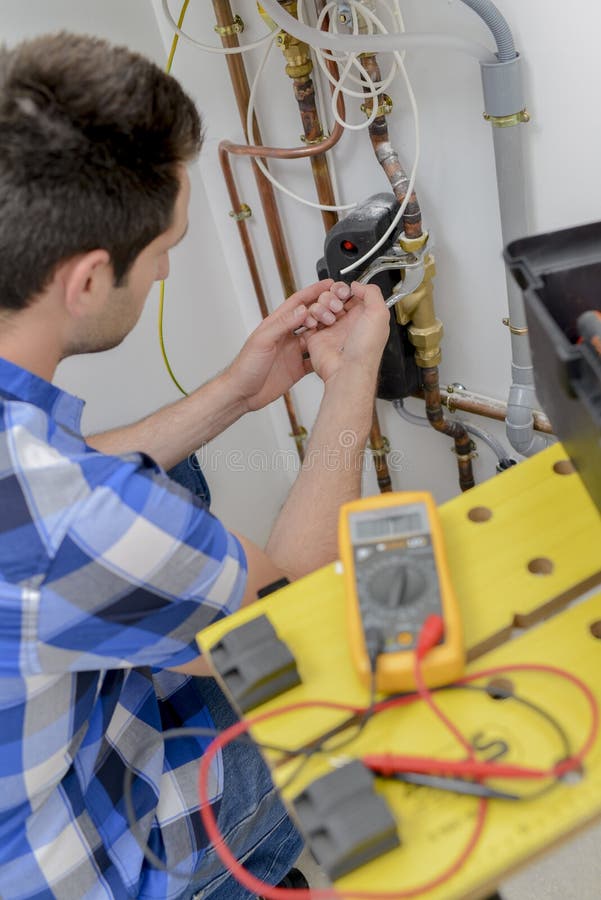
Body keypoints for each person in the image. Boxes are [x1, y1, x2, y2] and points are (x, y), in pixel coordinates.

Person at [0, 31, 390, 900]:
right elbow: (301, 607)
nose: (171, 265)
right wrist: (350, 380)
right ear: (89, 279)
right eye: (165, 247)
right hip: (64, 858)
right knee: (334, 691)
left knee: (180, 485)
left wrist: (238, 390)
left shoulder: (27, 462)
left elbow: (64, 467)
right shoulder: (75, 521)